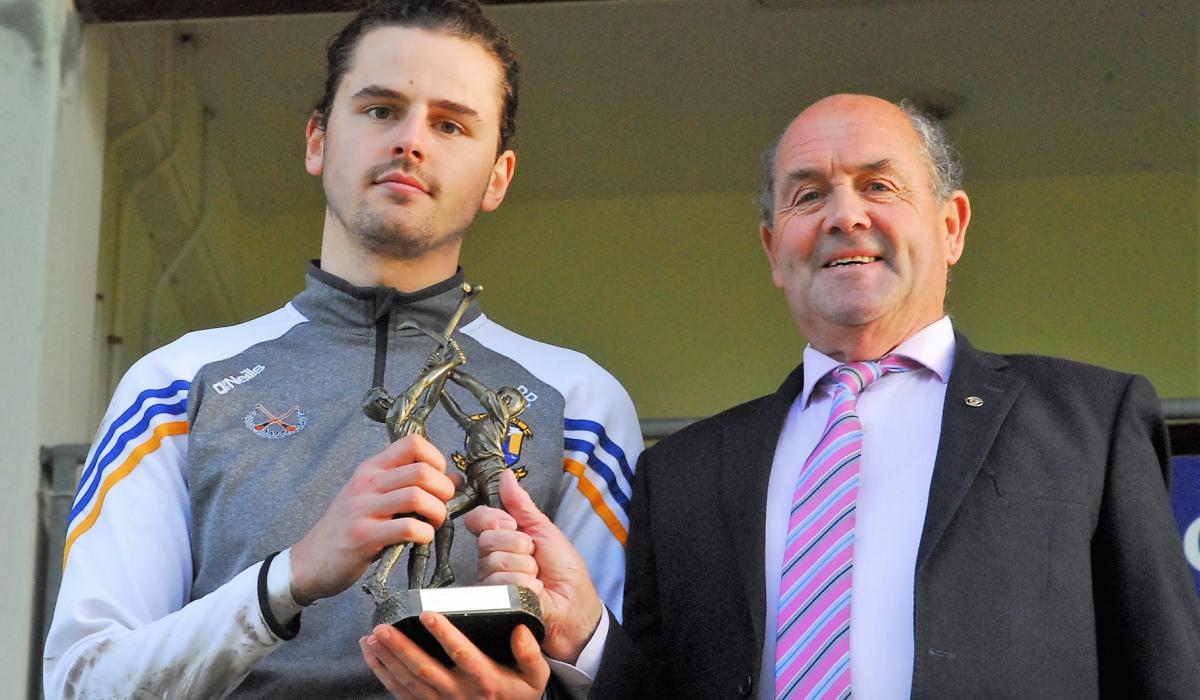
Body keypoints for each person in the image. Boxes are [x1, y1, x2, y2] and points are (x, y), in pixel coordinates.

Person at [444, 94, 1200, 698]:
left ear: (951, 224)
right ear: (775, 249)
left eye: (880, 185)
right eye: (809, 196)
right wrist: (588, 638)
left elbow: (1170, 674)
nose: (846, 215)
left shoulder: (1086, 423)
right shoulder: (685, 474)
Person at [41, 1, 642, 697]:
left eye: (450, 124)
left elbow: (629, 677)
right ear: (318, 140)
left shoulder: (583, 406)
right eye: (381, 109)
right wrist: (289, 576)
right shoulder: (174, 385)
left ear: (498, 177)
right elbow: (81, 681)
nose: (411, 141)